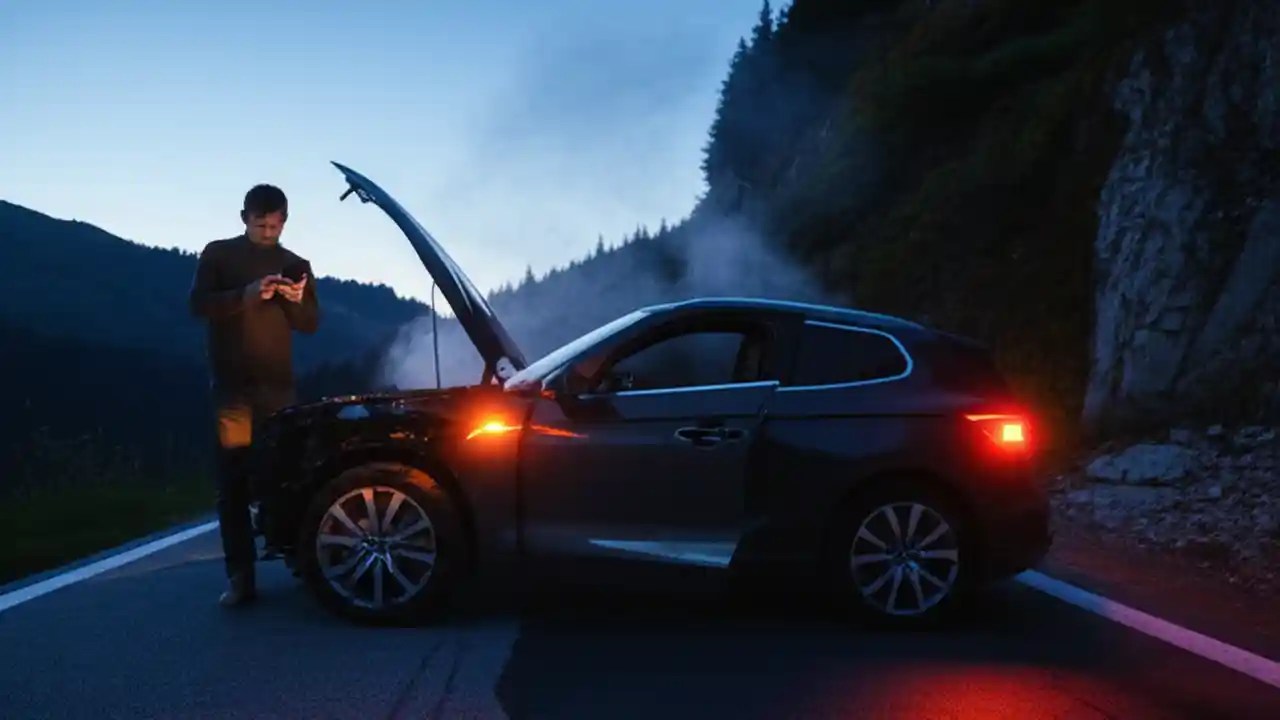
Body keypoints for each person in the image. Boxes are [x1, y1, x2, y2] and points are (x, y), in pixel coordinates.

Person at [189, 183, 320, 607]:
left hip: (278, 387)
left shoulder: (295, 263)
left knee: (285, 476)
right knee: (233, 481)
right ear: (244, 217)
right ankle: (241, 577)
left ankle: (301, 561)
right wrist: (246, 296)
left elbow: (309, 324)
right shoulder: (219, 254)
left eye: (275, 225)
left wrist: (297, 300)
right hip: (232, 388)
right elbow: (198, 305)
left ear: (285, 221)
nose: (267, 232)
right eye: (260, 224)